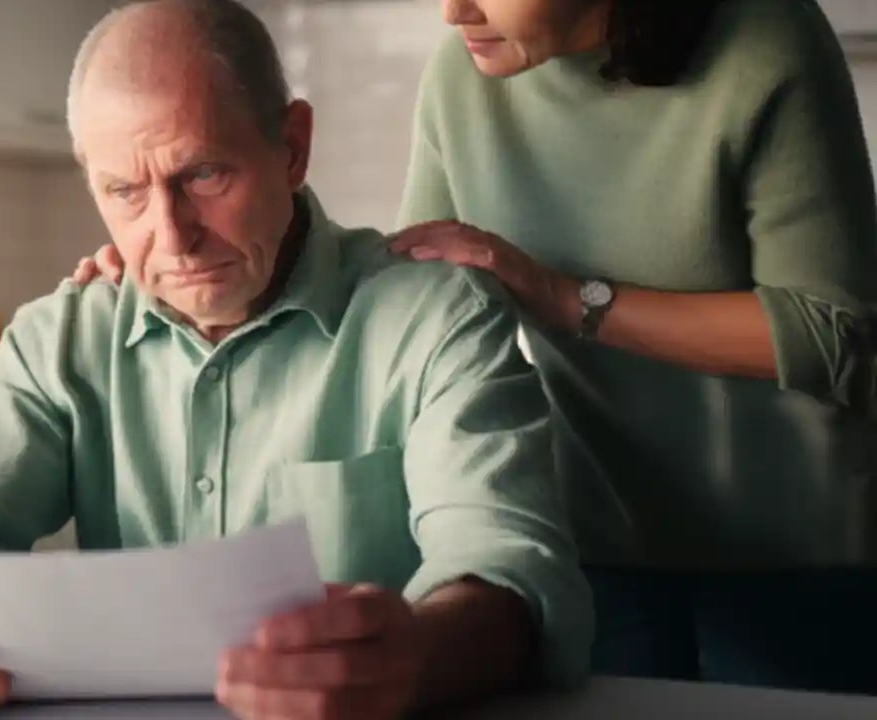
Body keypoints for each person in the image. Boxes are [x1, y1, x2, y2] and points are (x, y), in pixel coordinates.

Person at [0, 1, 593, 718]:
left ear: (293, 148)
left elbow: (510, 568)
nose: (170, 240)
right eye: (125, 193)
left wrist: (417, 657)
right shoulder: (60, 341)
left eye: (203, 174)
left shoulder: (438, 318)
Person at [76, 0, 877, 695]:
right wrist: (168, 265)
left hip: (794, 556)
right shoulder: (465, 75)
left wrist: (565, 299)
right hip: (589, 548)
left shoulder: (767, 36)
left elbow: (830, 331)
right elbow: (404, 296)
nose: (453, 13)